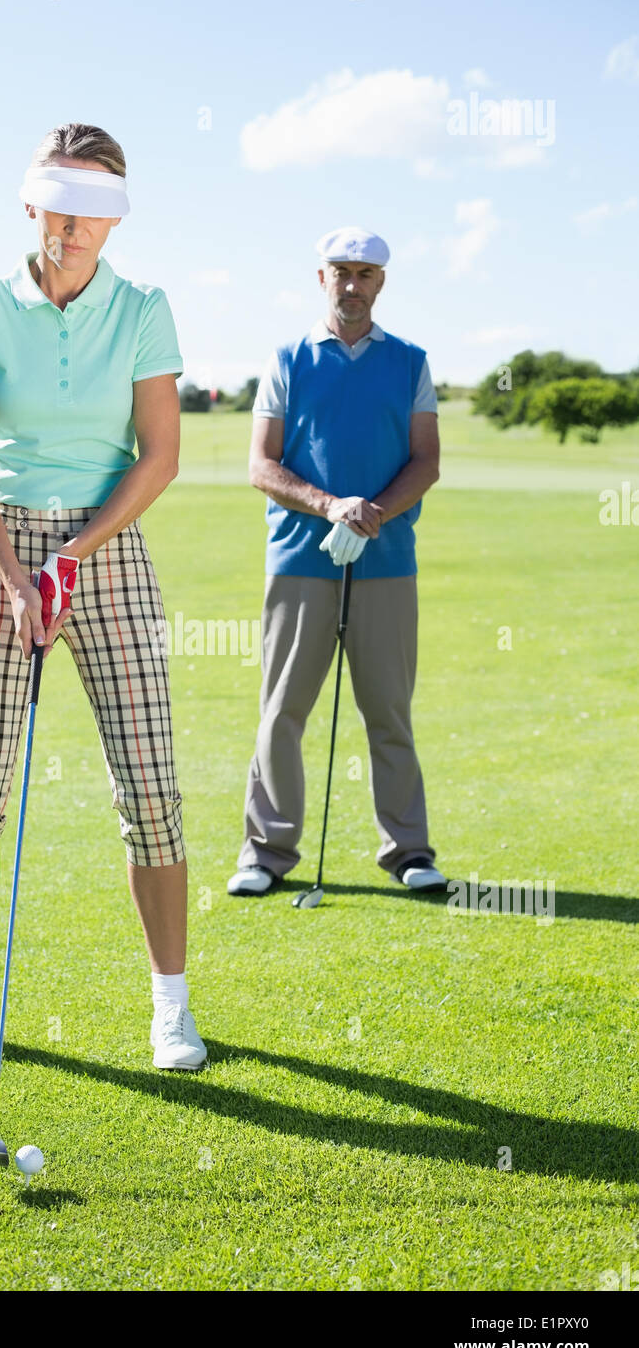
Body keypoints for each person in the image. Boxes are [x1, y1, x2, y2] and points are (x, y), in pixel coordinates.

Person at [0, 123, 206, 1073]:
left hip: (107, 547)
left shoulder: (145, 309)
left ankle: (172, 1010)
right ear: (30, 200)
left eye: (102, 207)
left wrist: (77, 550)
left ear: (118, 219)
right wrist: (10, 567)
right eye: (64, 201)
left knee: (151, 792)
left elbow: (160, 454)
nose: (78, 224)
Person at [227, 226, 447, 898]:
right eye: (340, 272)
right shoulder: (288, 358)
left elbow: (426, 461)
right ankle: (265, 852)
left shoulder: (409, 361)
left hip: (386, 560)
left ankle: (408, 852)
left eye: (365, 274)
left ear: (381, 282)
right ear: (320, 277)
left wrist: (371, 511)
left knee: (389, 712)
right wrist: (329, 506)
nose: (352, 285)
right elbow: (261, 465)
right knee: (283, 710)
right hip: (300, 558)